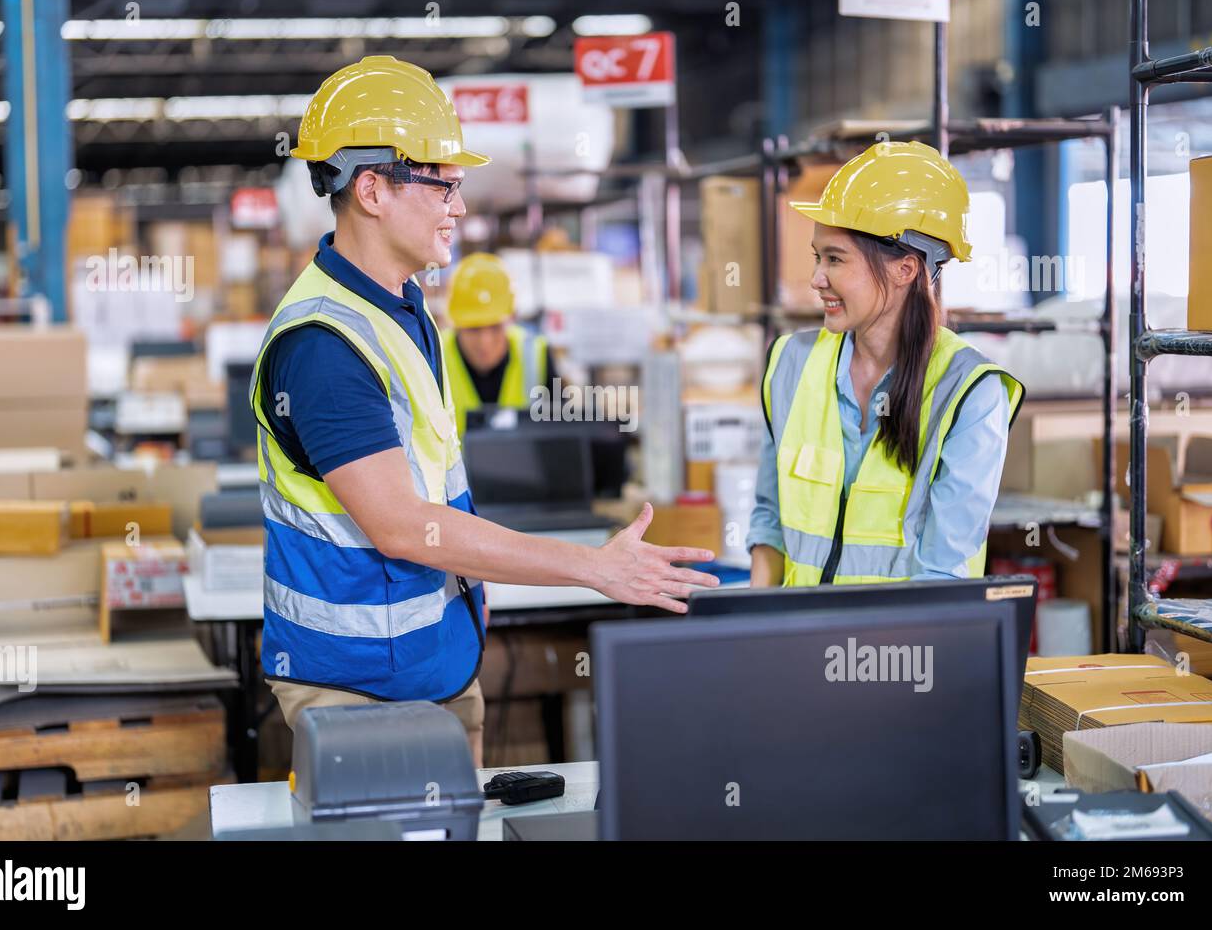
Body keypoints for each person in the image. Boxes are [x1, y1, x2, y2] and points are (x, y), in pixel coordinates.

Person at [251, 56, 718, 765]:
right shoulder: (324, 346)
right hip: (360, 692)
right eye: (445, 185)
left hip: (433, 661)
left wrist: (470, 592)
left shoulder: (404, 309)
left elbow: (434, 488)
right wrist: (591, 567)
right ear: (372, 189)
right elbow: (406, 527)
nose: (459, 208)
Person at [748, 141, 1025, 588]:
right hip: (794, 644)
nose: (817, 279)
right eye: (817, 257)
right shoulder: (790, 363)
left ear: (906, 270)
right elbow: (769, 521)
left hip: (906, 652)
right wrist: (751, 631)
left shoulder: (970, 391)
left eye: (835, 259)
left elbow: (941, 571)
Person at [439, 252, 553, 436]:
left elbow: (562, 432)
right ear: (456, 325)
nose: (485, 342)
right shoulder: (433, 356)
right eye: (474, 329)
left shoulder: (535, 352)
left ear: (512, 319)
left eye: (495, 327)